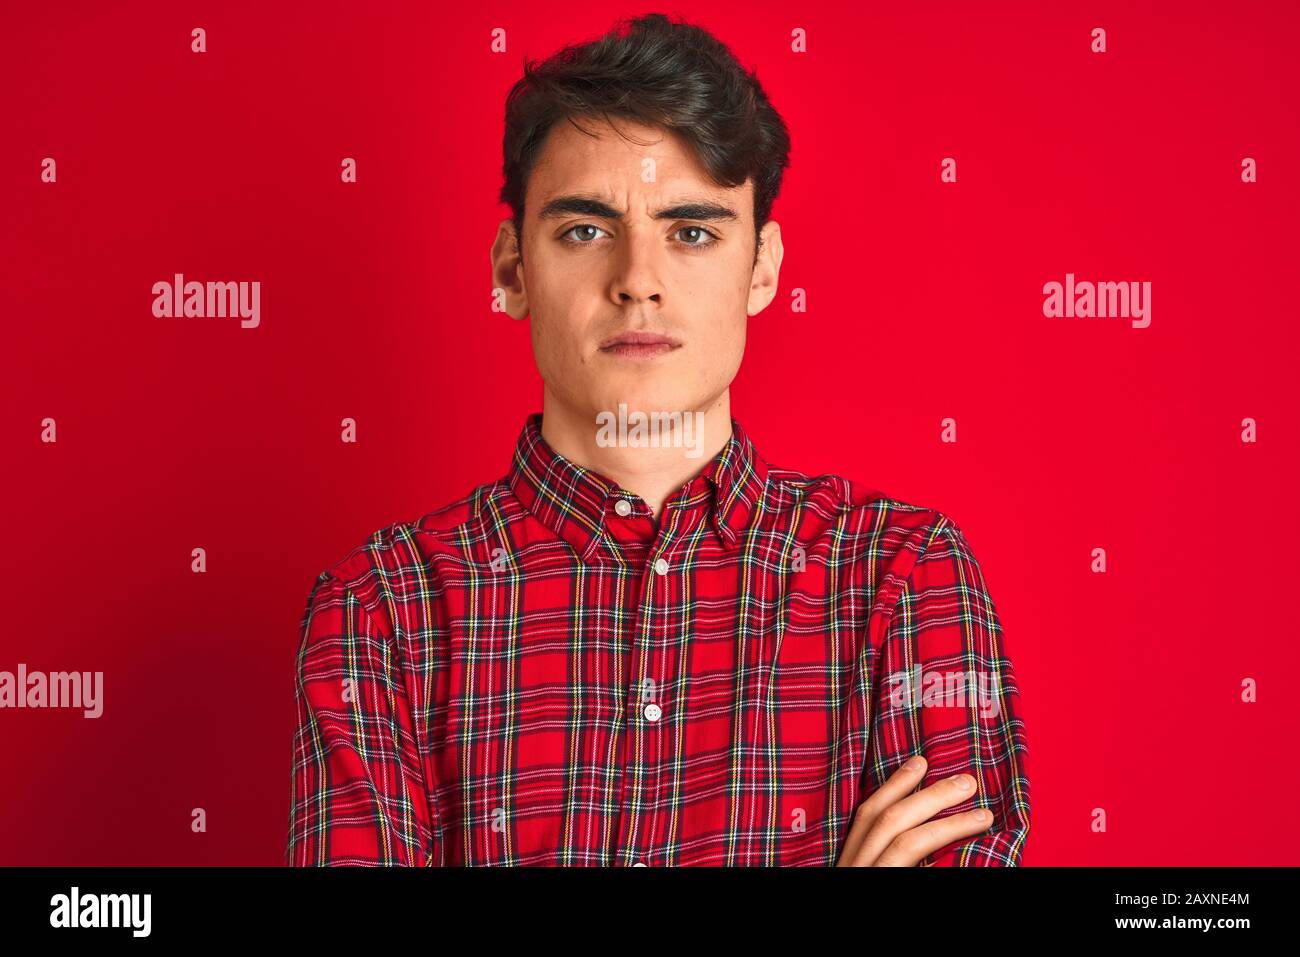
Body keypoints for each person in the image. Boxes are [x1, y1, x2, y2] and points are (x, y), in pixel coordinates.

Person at [287, 11, 1029, 867]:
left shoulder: (901, 575)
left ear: (762, 267)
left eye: (692, 232)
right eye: (585, 230)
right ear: (512, 269)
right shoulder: (380, 612)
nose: (637, 280)